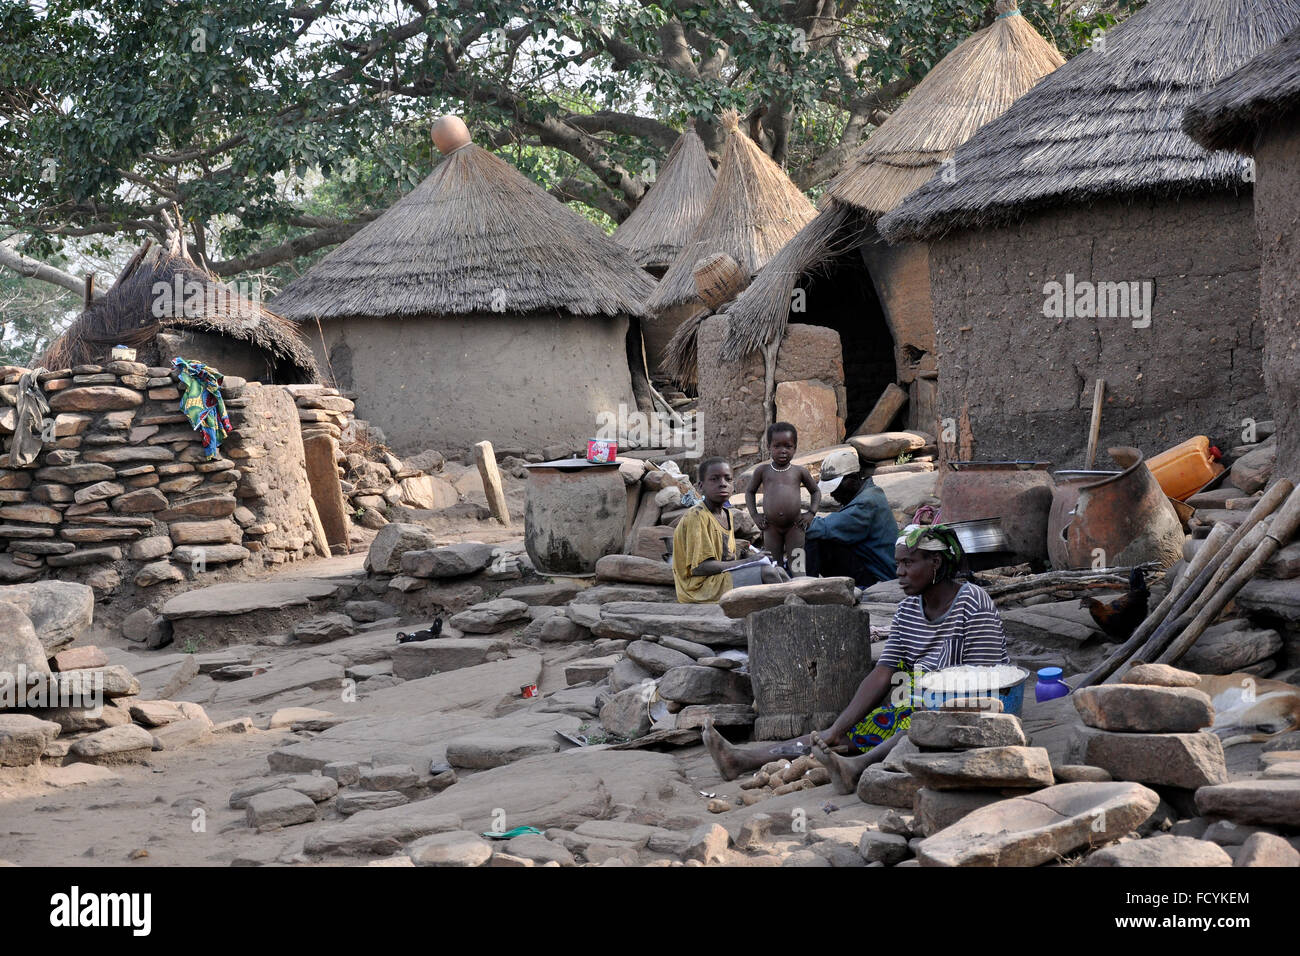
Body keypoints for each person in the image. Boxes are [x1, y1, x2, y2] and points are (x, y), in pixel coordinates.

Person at [701, 523, 1010, 790]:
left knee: (917, 723)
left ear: (936, 563)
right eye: (898, 563)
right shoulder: (907, 610)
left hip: (972, 703)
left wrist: (926, 705)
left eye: (909, 563)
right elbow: (883, 673)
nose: (899, 573)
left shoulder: (972, 602)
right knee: (836, 737)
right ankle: (740, 759)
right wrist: (836, 727)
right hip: (916, 699)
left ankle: (857, 767)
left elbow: (987, 679)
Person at [673, 457, 789, 603]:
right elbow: (700, 568)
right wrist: (749, 562)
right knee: (768, 573)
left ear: (733, 486)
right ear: (700, 486)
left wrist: (750, 556)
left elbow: (725, 557)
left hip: (718, 578)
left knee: (780, 571)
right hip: (699, 587)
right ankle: (785, 616)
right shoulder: (697, 516)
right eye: (714, 479)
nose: (723, 484)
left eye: (728, 479)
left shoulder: (726, 514)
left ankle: (796, 610)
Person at [803, 448, 898, 587]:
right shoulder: (869, 494)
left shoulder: (866, 503)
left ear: (853, 479)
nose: (832, 494)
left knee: (817, 537)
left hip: (878, 579)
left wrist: (795, 522)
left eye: (836, 487)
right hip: (867, 568)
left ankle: (806, 587)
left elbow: (824, 528)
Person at [745, 422, 820, 572]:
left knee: (798, 566)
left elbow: (816, 491)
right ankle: (778, 592)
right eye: (777, 446)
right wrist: (755, 516)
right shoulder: (762, 471)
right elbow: (749, 492)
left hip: (795, 527)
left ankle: (799, 590)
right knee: (774, 566)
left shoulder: (799, 471)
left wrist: (811, 513)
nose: (783, 451)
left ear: (795, 448)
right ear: (769, 447)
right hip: (771, 527)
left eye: (788, 446)